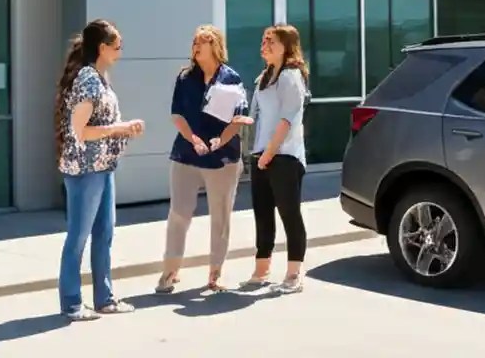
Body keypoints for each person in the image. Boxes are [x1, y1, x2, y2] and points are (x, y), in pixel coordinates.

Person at [54, 18, 144, 321]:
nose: (121, 49)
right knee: (78, 237)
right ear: (102, 48)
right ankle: (72, 304)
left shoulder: (99, 77)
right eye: (117, 44)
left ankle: (104, 299)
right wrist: (120, 128)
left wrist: (120, 130)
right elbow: (81, 131)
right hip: (84, 170)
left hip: (103, 167)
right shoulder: (89, 79)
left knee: (104, 233)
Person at [155, 25, 252, 294]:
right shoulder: (185, 78)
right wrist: (192, 138)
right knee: (179, 214)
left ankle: (215, 274)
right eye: (195, 41)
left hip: (223, 159)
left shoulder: (231, 78)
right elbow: (177, 114)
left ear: (215, 45)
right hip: (186, 155)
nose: (196, 45)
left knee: (220, 218)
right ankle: (170, 271)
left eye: (203, 41)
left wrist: (221, 139)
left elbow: (238, 117)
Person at [242, 24, 310, 294]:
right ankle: (261, 270)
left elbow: (287, 119)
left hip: (285, 156)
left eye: (272, 41)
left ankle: (294, 274)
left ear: (287, 46)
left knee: (289, 214)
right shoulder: (264, 77)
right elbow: (259, 117)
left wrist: (269, 153)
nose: (265, 45)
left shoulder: (291, 76)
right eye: (263, 40)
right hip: (262, 154)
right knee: (262, 215)